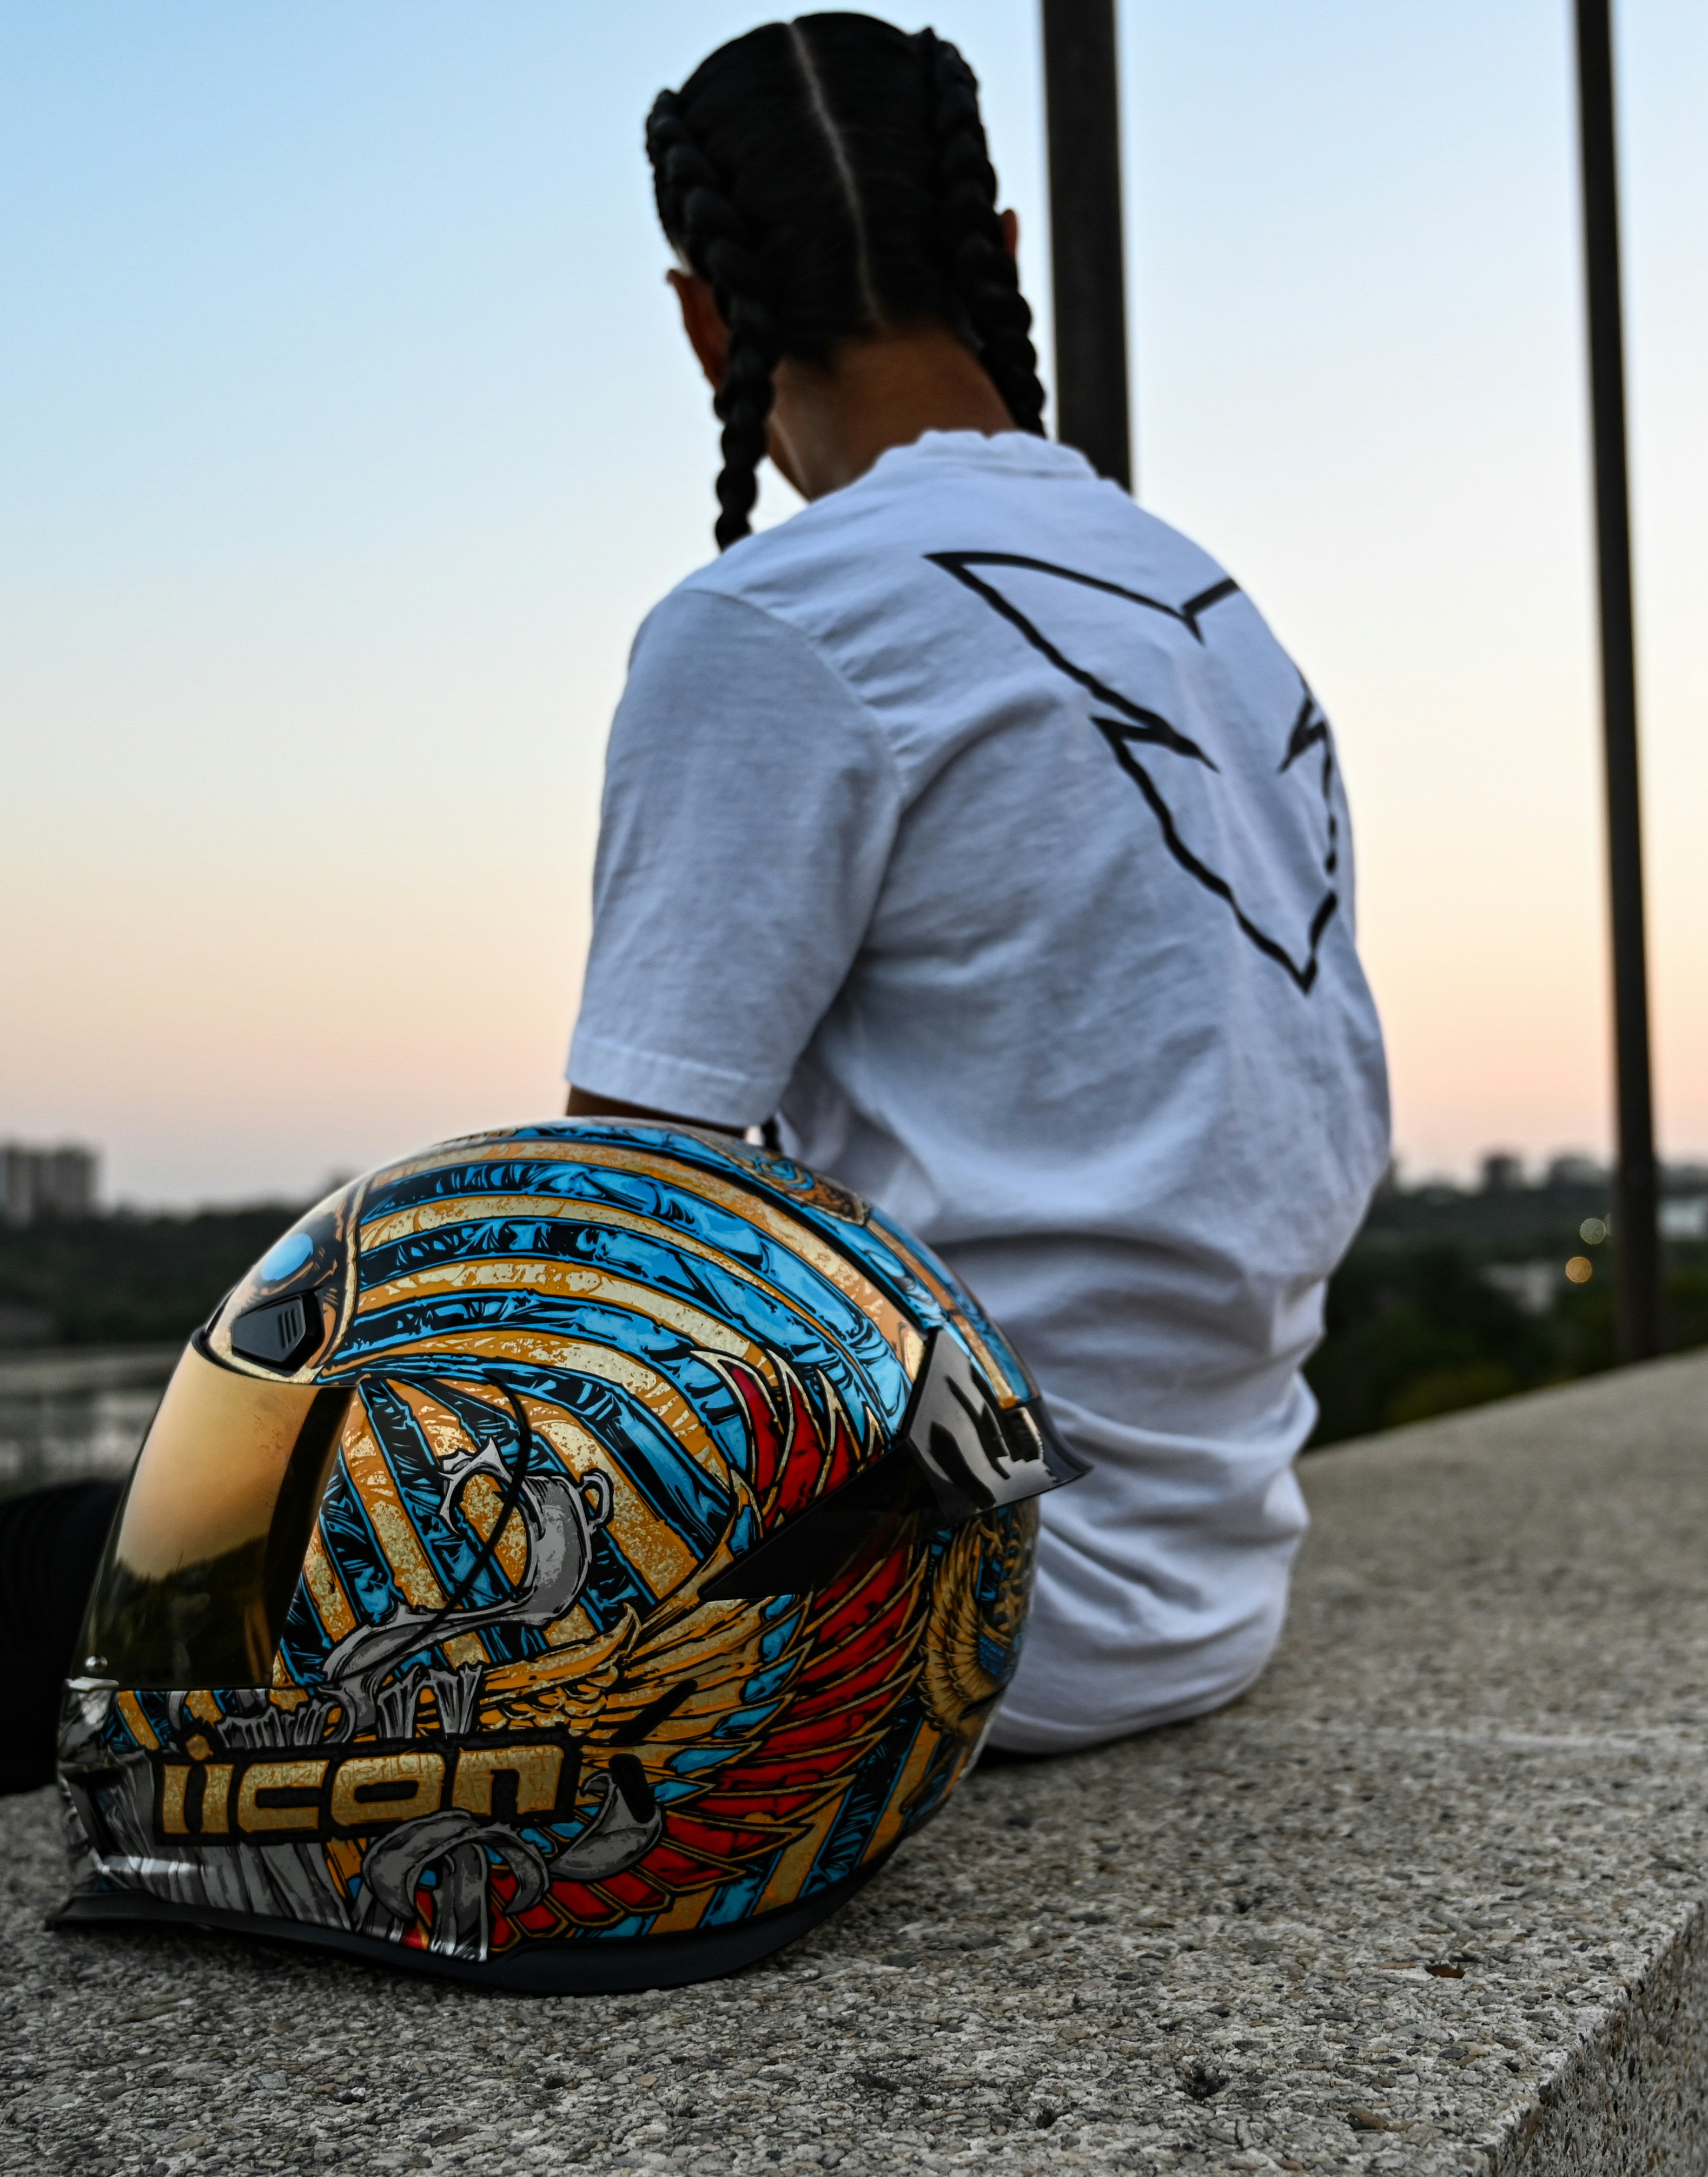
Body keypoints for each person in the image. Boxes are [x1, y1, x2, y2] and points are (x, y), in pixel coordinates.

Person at [564, 13, 1388, 1755]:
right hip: (1210, 1595)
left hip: (953, 1614)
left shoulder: (783, 619)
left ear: (706, 319)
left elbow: (619, 1232)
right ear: (999, 257)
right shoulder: (1225, 625)